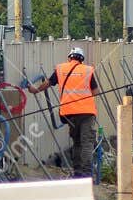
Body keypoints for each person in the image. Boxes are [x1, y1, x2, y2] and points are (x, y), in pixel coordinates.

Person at [26, 46, 99, 179]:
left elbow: (47, 83)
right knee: (87, 142)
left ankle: (77, 173)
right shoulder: (88, 70)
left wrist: (34, 90)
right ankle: (87, 174)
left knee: (77, 142)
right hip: (87, 113)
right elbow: (95, 92)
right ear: (81, 60)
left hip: (69, 113)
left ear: (69, 57)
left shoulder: (60, 69)